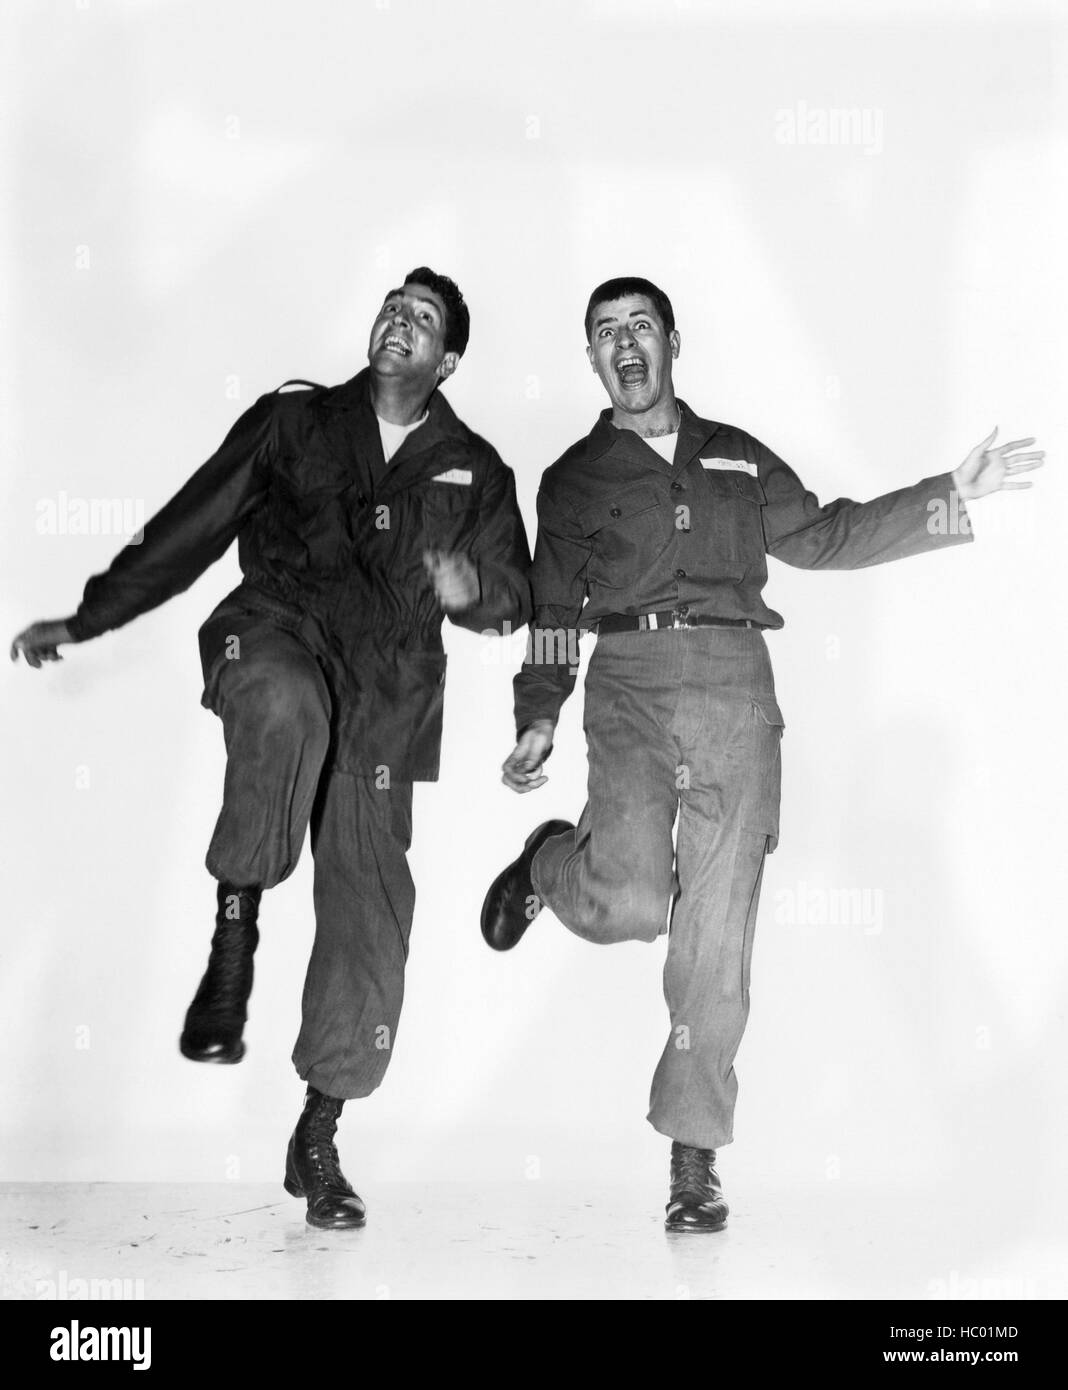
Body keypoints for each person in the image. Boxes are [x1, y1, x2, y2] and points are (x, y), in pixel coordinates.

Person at [481, 275, 1043, 1234]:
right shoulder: (572, 479)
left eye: (641, 326)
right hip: (629, 684)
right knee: (624, 903)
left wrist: (953, 496)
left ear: (672, 342)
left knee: (718, 930)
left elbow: (827, 536)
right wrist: (538, 713)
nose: (626, 344)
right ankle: (549, 859)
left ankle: (693, 1153)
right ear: (591, 358)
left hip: (739, 688)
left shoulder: (734, 457)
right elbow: (550, 613)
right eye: (605, 332)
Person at [12, 267, 532, 1230]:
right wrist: (89, 618)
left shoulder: (477, 469)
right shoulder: (291, 423)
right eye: (392, 307)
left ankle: (319, 1135)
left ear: (448, 357)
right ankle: (235, 928)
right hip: (275, 632)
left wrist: (473, 594)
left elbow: (516, 597)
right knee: (287, 707)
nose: (398, 323)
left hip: (388, 697)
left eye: (422, 320)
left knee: (373, 913)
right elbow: (190, 527)